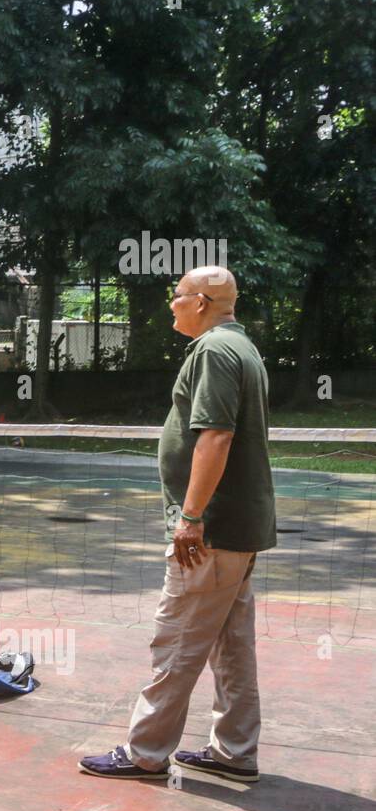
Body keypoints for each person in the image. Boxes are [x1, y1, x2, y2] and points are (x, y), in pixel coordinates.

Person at [80, 266, 276, 782]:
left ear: (203, 301)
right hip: (239, 528)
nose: (171, 304)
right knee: (231, 646)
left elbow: (216, 436)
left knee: (177, 639)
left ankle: (145, 752)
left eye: (179, 296)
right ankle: (234, 752)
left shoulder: (214, 351)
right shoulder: (240, 346)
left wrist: (190, 518)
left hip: (212, 532)